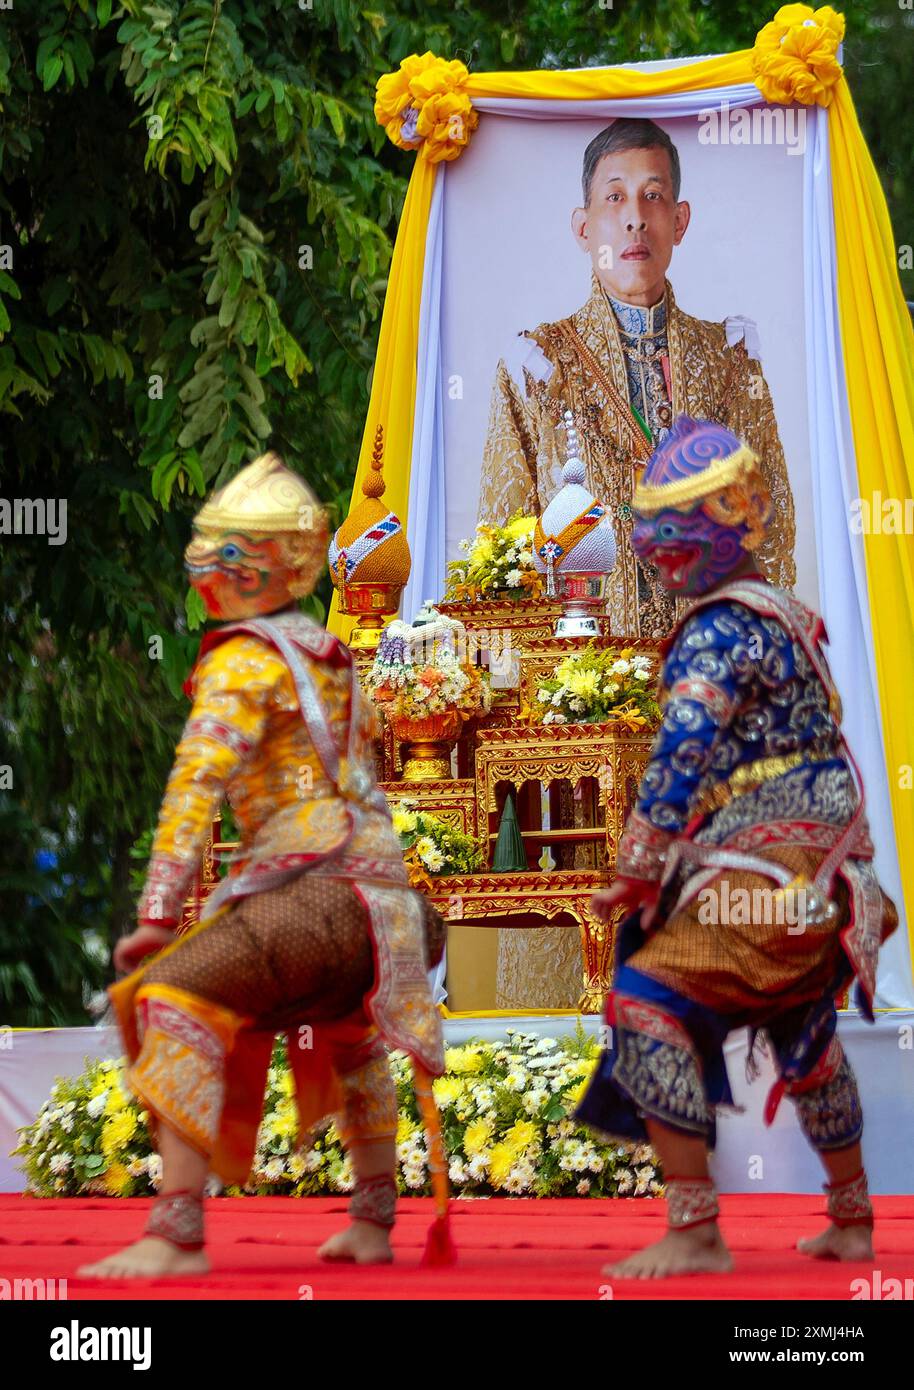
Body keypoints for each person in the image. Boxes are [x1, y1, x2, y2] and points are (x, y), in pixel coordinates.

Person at [79, 451, 449, 1279]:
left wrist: (153, 920)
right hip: (388, 909)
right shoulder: (331, 652)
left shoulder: (242, 660)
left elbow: (192, 789)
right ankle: (372, 1221)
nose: (209, 569)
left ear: (261, 566)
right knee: (352, 1032)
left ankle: (174, 1234)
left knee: (173, 993)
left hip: (314, 896)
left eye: (224, 554)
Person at [576, 415, 898, 1279]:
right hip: (831, 877)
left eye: (671, 542)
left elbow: (682, 756)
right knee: (802, 1025)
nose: (659, 558)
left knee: (645, 998)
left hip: (768, 872)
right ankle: (853, 1220)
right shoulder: (788, 613)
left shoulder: (717, 631)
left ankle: (695, 1230)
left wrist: (635, 875)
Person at [478, 117, 796, 640]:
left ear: (679, 220)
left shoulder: (730, 362)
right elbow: (504, 555)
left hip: (703, 678)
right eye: (615, 198)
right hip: (578, 689)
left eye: (653, 196)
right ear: (584, 228)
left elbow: (770, 531)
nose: (635, 220)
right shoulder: (537, 367)